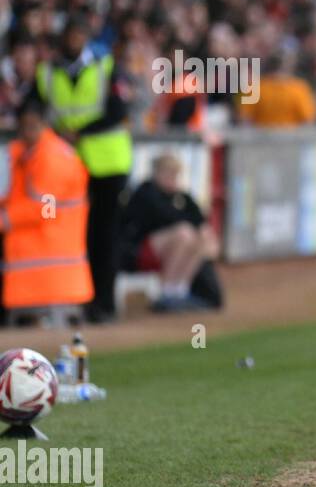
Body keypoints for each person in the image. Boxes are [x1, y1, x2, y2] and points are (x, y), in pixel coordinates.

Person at [36, 17, 132, 323]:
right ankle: (77, 298)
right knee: (75, 235)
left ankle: (103, 302)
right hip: (67, 166)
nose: (75, 40)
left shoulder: (105, 66)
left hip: (106, 162)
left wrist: (80, 132)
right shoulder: (47, 72)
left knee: (104, 234)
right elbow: (37, 109)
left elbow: (118, 110)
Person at [0, 94, 93, 323]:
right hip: (39, 263)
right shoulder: (27, 153)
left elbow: (47, 210)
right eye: (24, 127)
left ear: (44, 123)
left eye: (33, 126)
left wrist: (6, 218)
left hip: (52, 264)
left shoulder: (53, 158)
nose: (27, 133)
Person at [120, 154, 222, 312]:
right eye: (168, 174)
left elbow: (199, 219)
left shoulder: (181, 196)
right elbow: (166, 217)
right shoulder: (146, 192)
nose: (173, 179)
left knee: (203, 238)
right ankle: (167, 291)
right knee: (184, 233)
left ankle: (180, 289)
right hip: (137, 253)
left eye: (175, 174)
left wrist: (204, 232)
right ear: (157, 173)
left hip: (168, 249)